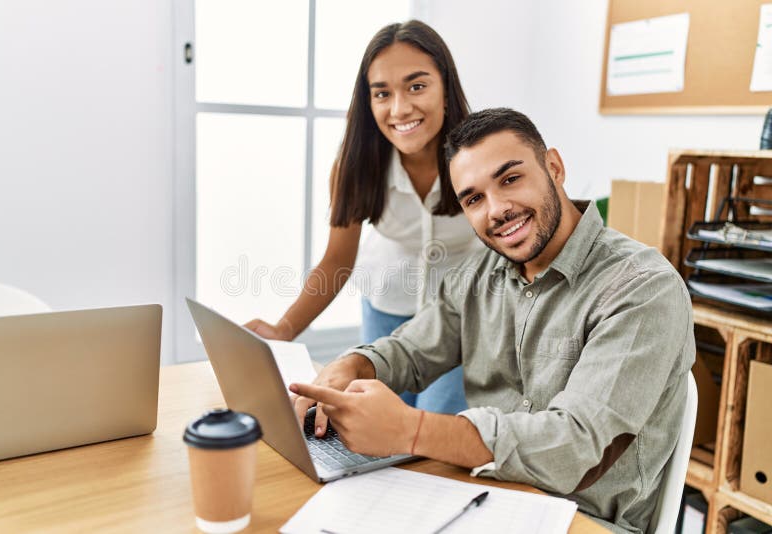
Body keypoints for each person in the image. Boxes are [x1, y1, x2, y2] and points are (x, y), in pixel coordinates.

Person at [289, 108, 696, 534]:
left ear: (553, 167)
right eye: (474, 198)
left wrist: (411, 430)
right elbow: (410, 350)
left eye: (510, 179)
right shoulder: (481, 273)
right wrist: (351, 366)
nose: (497, 209)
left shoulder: (642, 288)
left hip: (583, 520)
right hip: (484, 496)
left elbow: (576, 447)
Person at [245, 20, 481, 417]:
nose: (400, 108)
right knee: (380, 432)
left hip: (462, 323)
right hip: (386, 311)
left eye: (417, 86)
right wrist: (283, 330)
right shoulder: (355, 167)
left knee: (435, 432)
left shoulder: (479, 158)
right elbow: (337, 260)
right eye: (382, 93)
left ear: (445, 89)